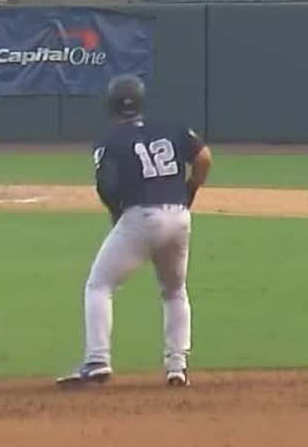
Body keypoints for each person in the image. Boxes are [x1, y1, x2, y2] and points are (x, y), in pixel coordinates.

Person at [56, 75, 212, 389]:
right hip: (179, 218)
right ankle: (177, 366)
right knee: (174, 291)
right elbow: (204, 157)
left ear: (111, 104)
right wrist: (190, 189)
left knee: (99, 286)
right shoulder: (172, 128)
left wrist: (117, 212)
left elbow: (106, 184)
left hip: (140, 218)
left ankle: (97, 359)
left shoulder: (109, 140)